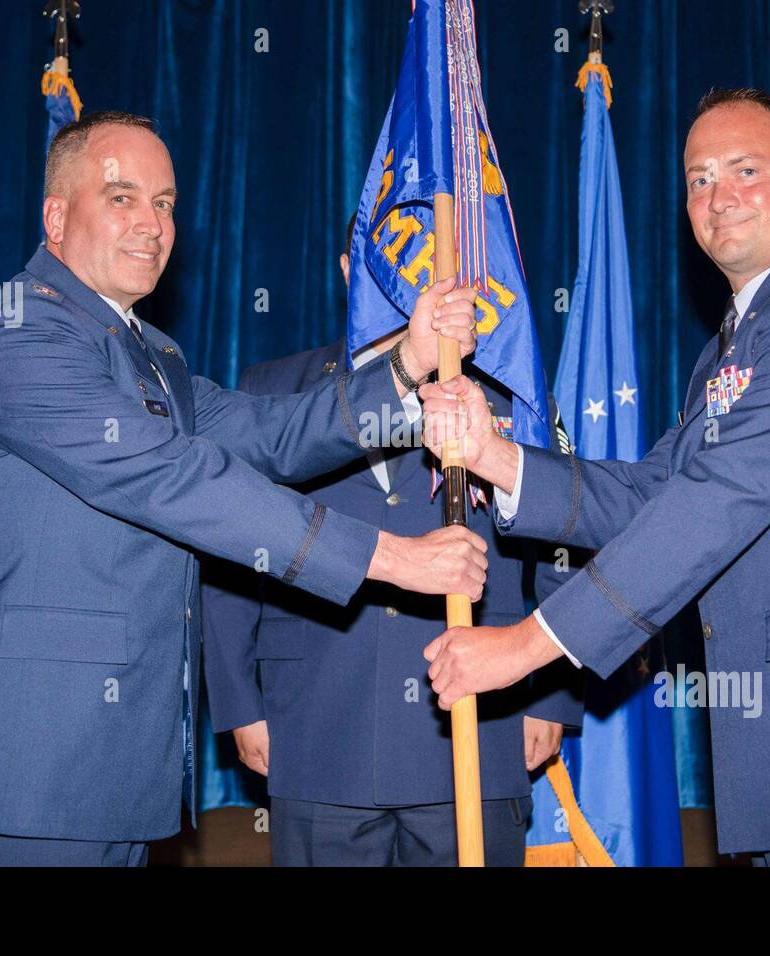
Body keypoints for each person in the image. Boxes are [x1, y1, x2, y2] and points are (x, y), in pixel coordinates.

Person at [418, 88, 770, 866]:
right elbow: (651, 497)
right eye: (698, 179)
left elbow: (718, 505)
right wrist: (495, 456)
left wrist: (526, 646)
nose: (718, 197)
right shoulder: (731, 350)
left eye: (745, 170)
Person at [0, 110, 486, 866]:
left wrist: (406, 365)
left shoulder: (152, 354)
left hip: (121, 771)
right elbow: (173, 477)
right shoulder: (20, 335)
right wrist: (391, 559)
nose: (152, 223)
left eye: (165, 202)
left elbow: (269, 435)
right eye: (122, 197)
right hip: (28, 770)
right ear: (56, 216)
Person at [200, 219, 582, 866]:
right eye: (392, 261)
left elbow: (563, 547)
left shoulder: (514, 391)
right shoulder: (273, 391)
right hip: (317, 726)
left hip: (478, 728)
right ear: (350, 269)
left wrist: (549, 694)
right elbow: (230, 552)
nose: (410, 279)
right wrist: (240, 703)